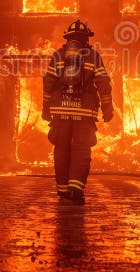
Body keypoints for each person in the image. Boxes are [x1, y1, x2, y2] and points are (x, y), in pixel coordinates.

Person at [42, 19, 113, 205]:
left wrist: (46, 109)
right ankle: (76, 190)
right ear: (86, 38)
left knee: (61, 148)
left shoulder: (58, 56)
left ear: (68, 38)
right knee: (81, 149)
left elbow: (48, 84)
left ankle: (63, 190)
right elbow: (103, 85)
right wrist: (107, 110)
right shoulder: (94, 57)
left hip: (60, 110)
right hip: (84, 111)